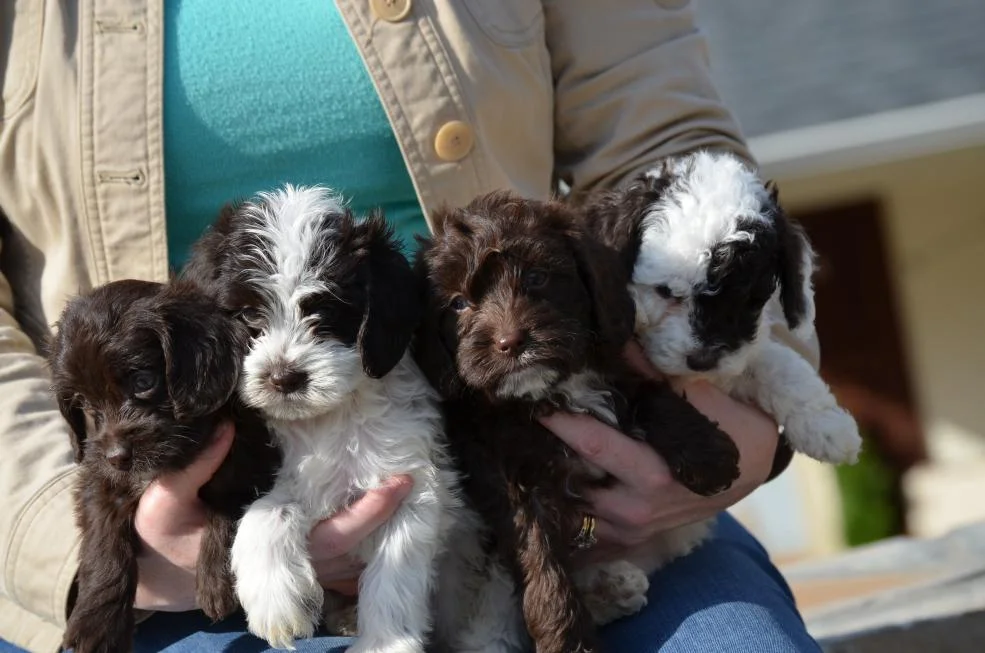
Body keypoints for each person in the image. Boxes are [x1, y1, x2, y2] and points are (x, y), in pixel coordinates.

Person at [0, 1, 822, 651]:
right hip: (166, 548)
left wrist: (744, 401)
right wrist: (107, 551)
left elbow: (672, 151)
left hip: (591, 483)